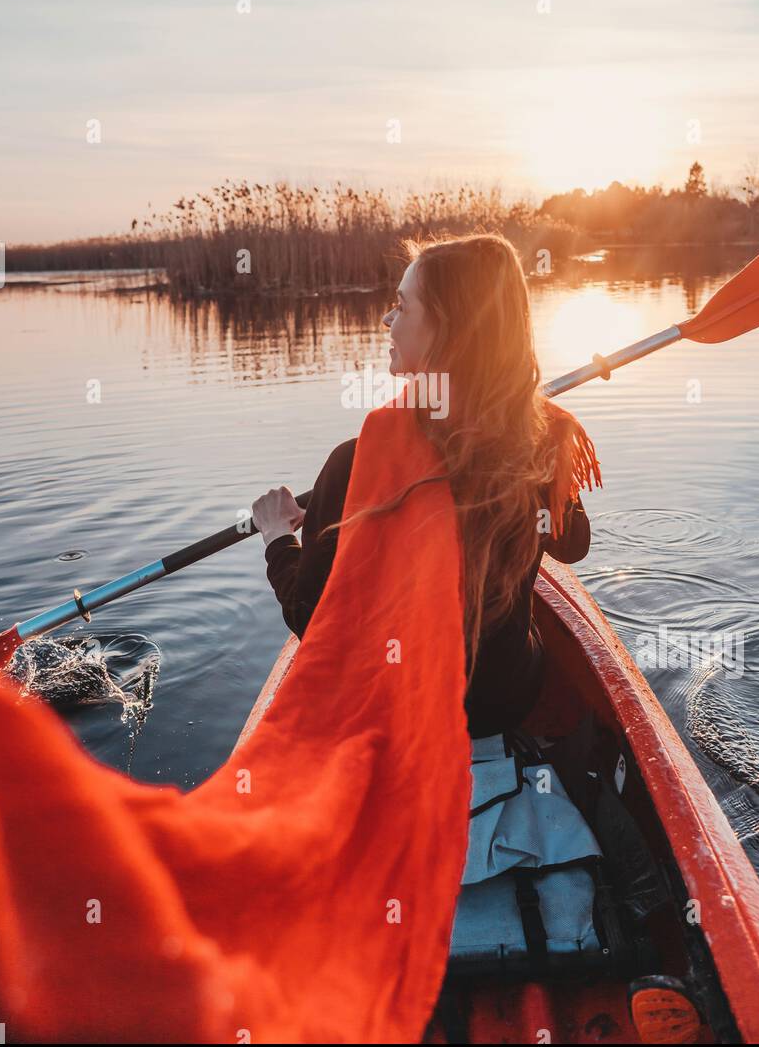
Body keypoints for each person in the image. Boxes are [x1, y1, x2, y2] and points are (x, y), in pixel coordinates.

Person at [252, 232, 600, 739]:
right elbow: (573, 546)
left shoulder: (354, 463)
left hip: (407, 710)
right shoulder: (541, 441)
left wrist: (277, 538)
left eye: (401, 306)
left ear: (448, 330)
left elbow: (313, 622)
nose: (386, 320)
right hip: (505, 704)